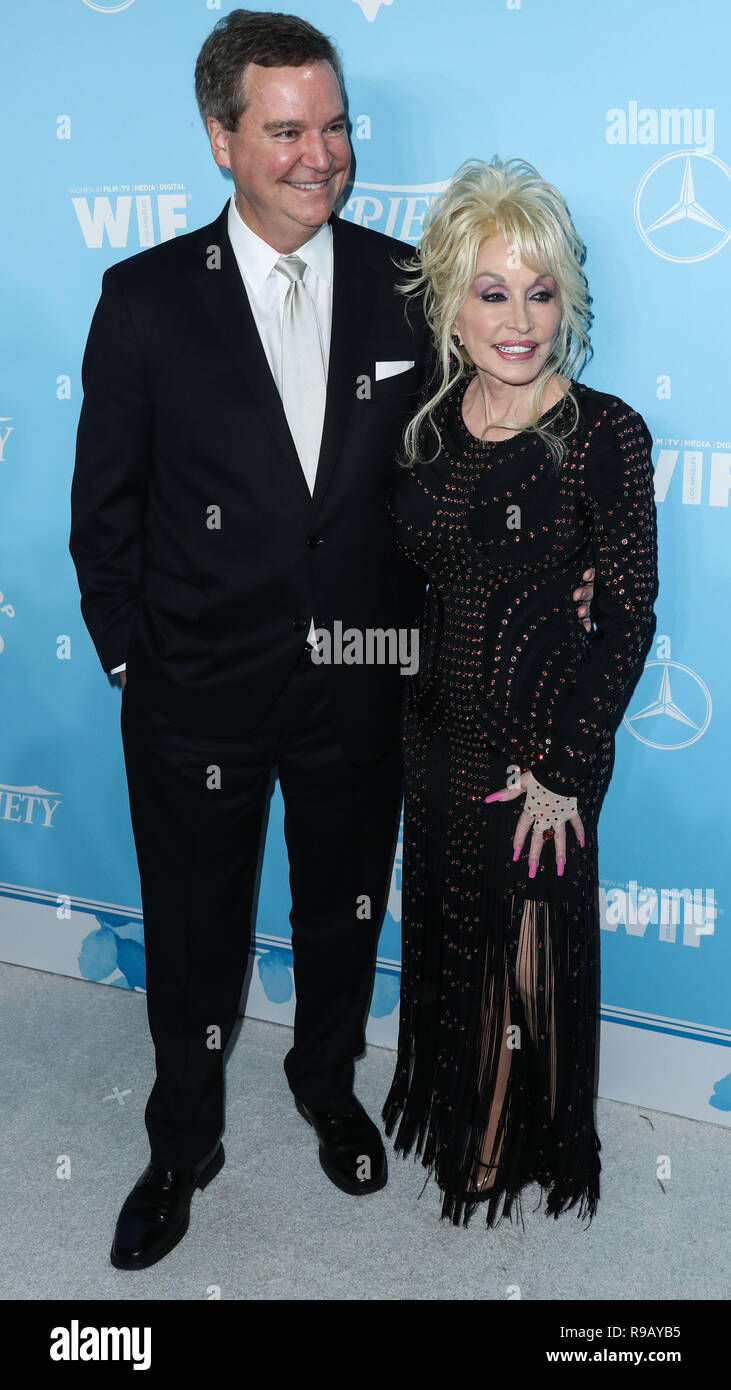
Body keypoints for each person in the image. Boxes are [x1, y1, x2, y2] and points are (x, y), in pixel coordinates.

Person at [69, 10, 593, 1271]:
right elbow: (105, 513)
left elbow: (480, 444)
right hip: (195, 688)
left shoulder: (404, 289)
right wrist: (139, 663)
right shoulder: (142, 302)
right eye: (288, 129)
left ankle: (324, 1084)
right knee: (192, 931)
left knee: (341, 914)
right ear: (221, 139)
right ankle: (181, 1137)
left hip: (363, 685)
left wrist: (565, 557)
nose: (321, 155)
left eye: (336, 126)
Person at [382, 156, 658, 1229]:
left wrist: (565, 770)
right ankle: (461, 1119)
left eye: (539, 292)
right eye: (491, 291)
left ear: (565, 301)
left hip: (532, 757)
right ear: (451, 304)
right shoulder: (423, 424)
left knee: (521, 963)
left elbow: (626, 619)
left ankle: (505, 1143)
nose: (518, 319)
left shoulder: (603, 434)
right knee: (453, 947)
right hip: (432, 744)